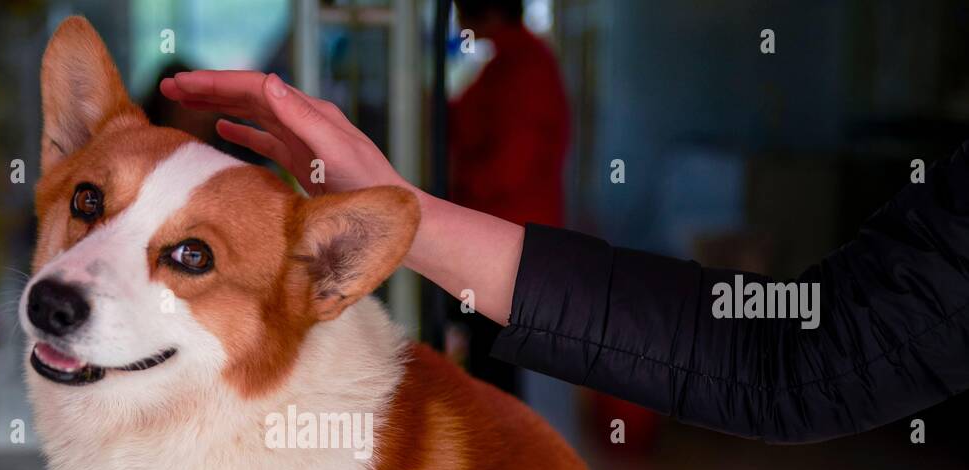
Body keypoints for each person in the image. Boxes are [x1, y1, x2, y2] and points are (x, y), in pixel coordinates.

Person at [161, 71, 969, 443]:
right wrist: (405, 210)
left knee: (482, 408)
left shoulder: (512, 66)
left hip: (516, 222)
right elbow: (797, 358)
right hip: (505, 252)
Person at [447, 0, 571, 396]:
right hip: (504, 232)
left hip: (509, 237)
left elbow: (510, 165)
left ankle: (504, 451)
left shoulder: (524, 67)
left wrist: (454, 195)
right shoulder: (510, 63)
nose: (460, 18)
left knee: (493, 361)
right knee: (490, 356)